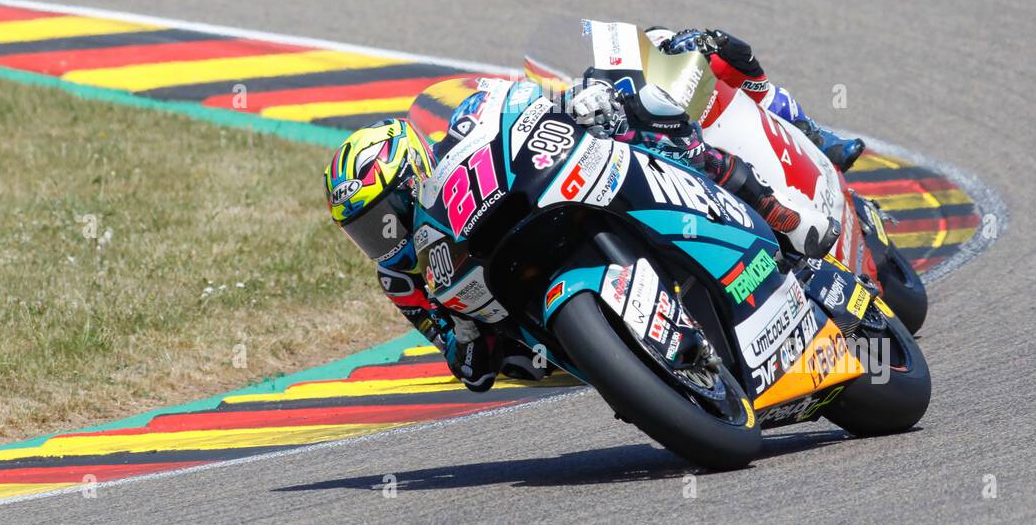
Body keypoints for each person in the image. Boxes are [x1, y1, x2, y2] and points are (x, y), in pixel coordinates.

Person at [325, 70, 840, 394]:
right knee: (516, 364)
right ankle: (636, 374)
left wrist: (573, 103)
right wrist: (459, 330)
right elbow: (472, 375)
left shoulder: (460, 140)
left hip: (545, 205)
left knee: (639, 106)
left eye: (383, 216)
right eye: (365, 231)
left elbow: (512, 105)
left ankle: (771, 209)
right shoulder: (401, 278)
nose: (383, 239)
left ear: (412, 175)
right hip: (527, 321)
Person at [650, 27, 865, 171]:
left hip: (715, 117)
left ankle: (810, 134)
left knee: (721, 56)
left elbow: (737, 52)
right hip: (677, 150)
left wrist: (709, 42)